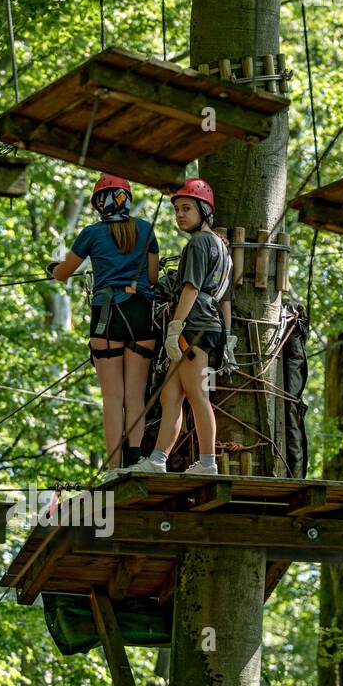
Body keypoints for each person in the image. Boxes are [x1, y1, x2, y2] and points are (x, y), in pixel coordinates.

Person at [47, 174, 159, 482]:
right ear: (128, 198)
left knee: (112, 397)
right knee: (135, 395)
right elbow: (152, 277)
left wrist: (53, 269)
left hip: (107, 315)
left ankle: (113, 469)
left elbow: (63, 274)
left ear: (99, 203)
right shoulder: (146, 229)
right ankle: (135, 461)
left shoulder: (91, 234)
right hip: (140, 315)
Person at [128, 177, 232, 479]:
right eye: (176, 210)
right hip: (207, 325)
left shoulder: (200, 243)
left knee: (197, 395)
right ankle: (158, 459)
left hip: (194, 325)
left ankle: (208, 462)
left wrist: (175, 326)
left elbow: (190, 287)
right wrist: (228, 336)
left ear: (204, 211)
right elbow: (224, 298)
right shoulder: (222, 248)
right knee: (170, 396)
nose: (180, 215)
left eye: (187, 208)